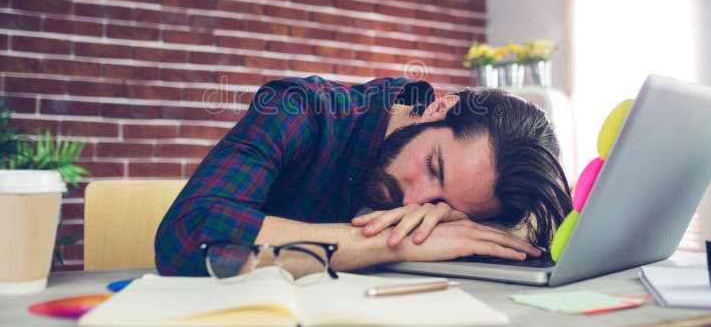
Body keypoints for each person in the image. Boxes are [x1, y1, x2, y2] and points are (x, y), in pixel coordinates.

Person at [155, 75, 572, 276]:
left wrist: (460, 229)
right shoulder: (300, 109)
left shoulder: (450, 202)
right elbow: (189, 236)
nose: (414, 202)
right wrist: (392, 243)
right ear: (436, 107)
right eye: (432, 166)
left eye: (440, 203)